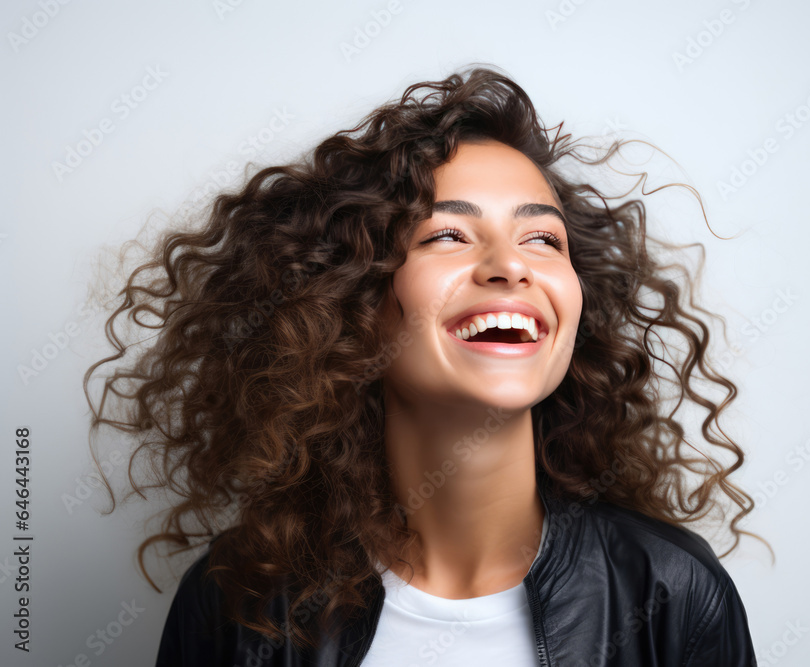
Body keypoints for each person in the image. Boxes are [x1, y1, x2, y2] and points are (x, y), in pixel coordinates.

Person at [83, 63, 769, 666]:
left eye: (541, 238)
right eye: (448, 233)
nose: (510, 267)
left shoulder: (673, 593)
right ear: (351, 299)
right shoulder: (237, 600)